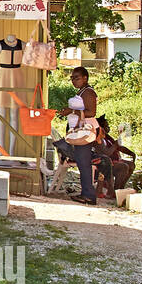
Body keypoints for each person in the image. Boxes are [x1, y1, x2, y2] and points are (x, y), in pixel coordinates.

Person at [54, 66, 99, 205]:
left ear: (85, 78)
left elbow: (91, 112)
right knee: (81, 162)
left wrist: (71, 111)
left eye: (76, 78)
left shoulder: (88, 92)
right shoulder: (82, 91)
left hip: (86, 131)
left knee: (84, 162)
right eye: (72, 78)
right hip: (79, 129)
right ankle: (86, 193)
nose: (73, 81)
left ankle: (88, 195)